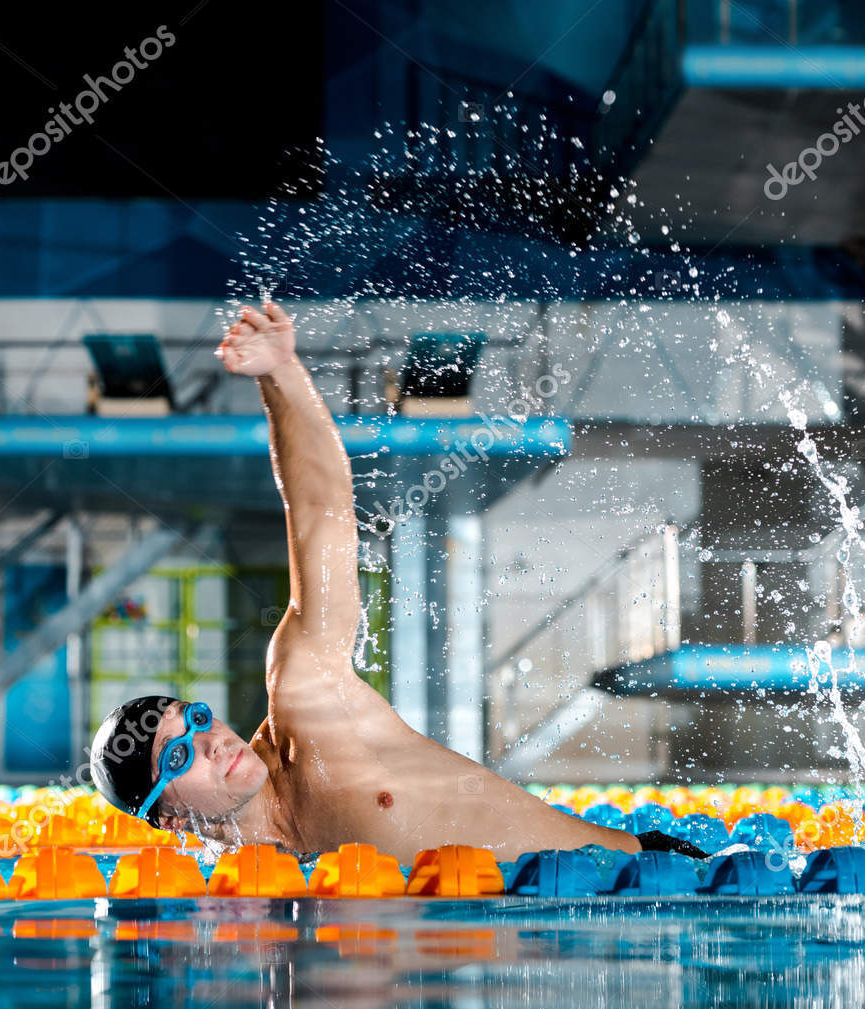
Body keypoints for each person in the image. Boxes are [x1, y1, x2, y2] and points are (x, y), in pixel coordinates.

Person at [89, 301, 701, 863]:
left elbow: (322, 515)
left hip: (648, 880)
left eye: (196, 720)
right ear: (166, 817)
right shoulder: (257, 889)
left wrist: (280, 374)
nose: (212, 742)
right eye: (177, 756)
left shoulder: (307, 704)